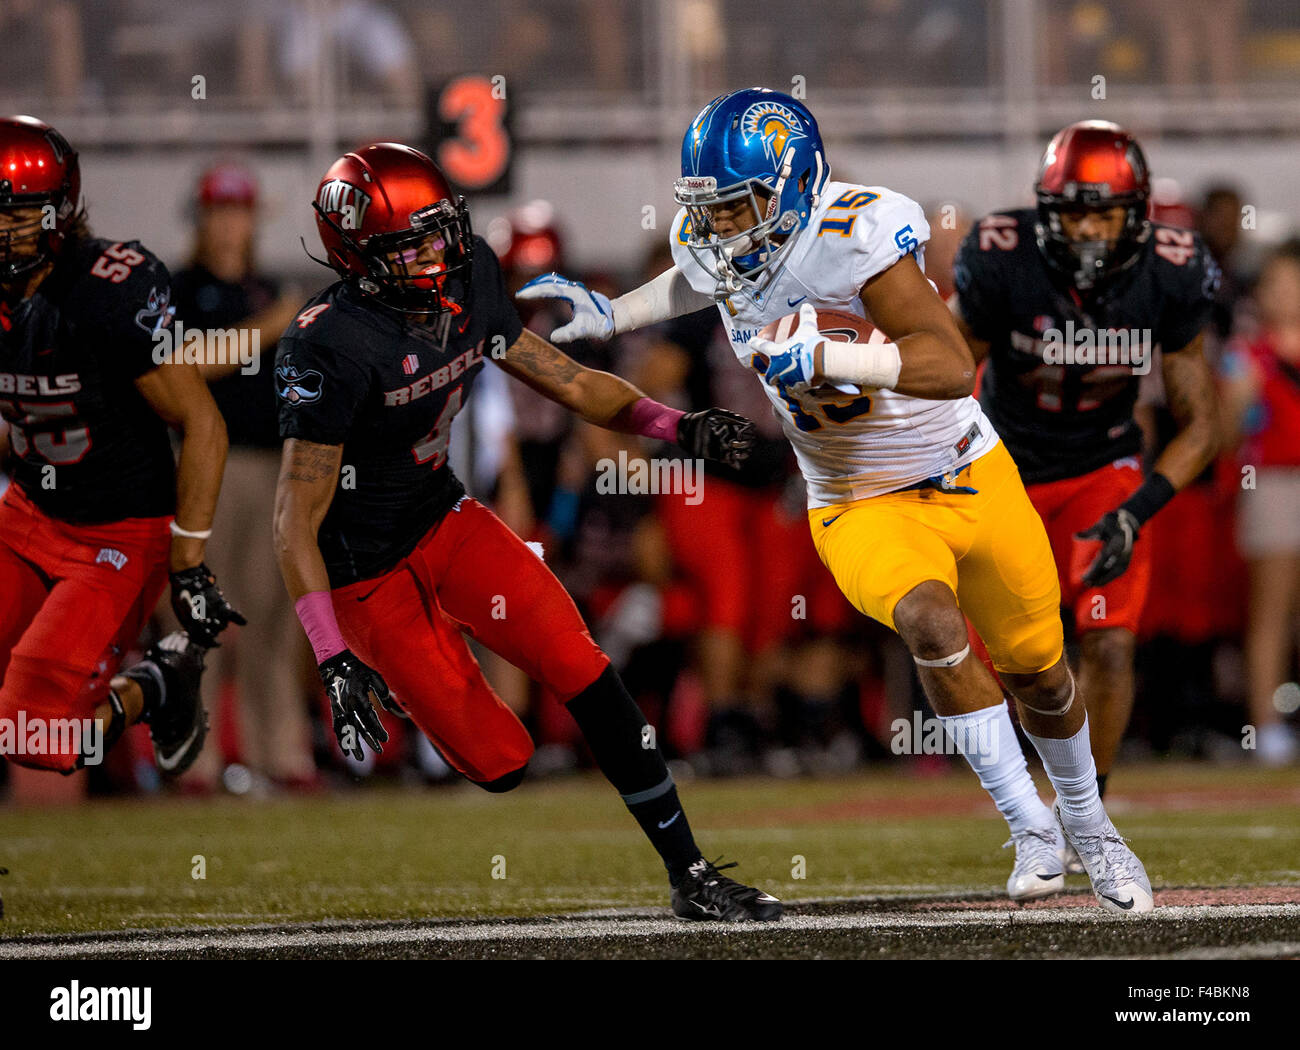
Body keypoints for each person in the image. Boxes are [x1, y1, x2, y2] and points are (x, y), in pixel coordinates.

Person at [519, 88, 1154, 913]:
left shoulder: (855, 233)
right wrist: (619, 311)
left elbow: (949, 366)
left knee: (1040, 671)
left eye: (738, 205)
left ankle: (1090, 824)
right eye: (707, 210)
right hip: (856, 497)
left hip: (965, 467)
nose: (719, 227)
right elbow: (700, 278)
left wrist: (835, 359)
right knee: (929, 618)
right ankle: (1032, 827)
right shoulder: (716, 241)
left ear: (793, 185)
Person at [272, 140, 781, 921]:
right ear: (359, 255)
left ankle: (691, 872)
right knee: (502, 761)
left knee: (583, 667)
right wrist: (333, 655)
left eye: (442, 230)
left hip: (445, 518)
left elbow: (566, 377)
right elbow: (292, 521)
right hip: (366, 573)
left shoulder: (471, 273)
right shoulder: (328, 344)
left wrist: (674, 426)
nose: (438, 254)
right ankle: (419, 679)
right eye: (412, 243)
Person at [950, 121, 1220, 807]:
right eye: (1072, 211)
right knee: (1009, 660)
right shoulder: (1000, 255)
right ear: (1045, 211)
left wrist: (1139, 508)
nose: (1087, 230)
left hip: (1104, 468)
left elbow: (1202, 427)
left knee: (1109, 643)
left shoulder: (1172, 269)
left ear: (1137, 214)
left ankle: (1085, 808)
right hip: (1002, 467)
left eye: (1103, 211)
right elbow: (945, 374)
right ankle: (1017, 799)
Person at [0, 116, 243, 786]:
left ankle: (155, 685)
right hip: (27, 511)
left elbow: (203, 423)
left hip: (116, 534)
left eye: (13, 218)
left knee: (30, 729)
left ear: (57, 215)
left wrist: (188, 563)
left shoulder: (106, 290)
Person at [170, 161, 314, 792]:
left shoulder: (267, 288)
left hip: (269, 463)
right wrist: (266, 329)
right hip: (205, 465)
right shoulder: (176, 290)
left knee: (271, 620)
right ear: (202, 218)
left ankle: (281, 755)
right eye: (219, 212)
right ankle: (194, 760)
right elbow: (185, 366)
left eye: (239, 212)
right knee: (195, 616)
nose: (229, 225)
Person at [1221, 241, 1300, 765]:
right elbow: (1226, 438)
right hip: (1271, 485)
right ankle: (1266, 727)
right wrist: (1238, 396)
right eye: (1274, 285)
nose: (1284, 294)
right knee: (1270, 612)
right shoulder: (1246, 354)